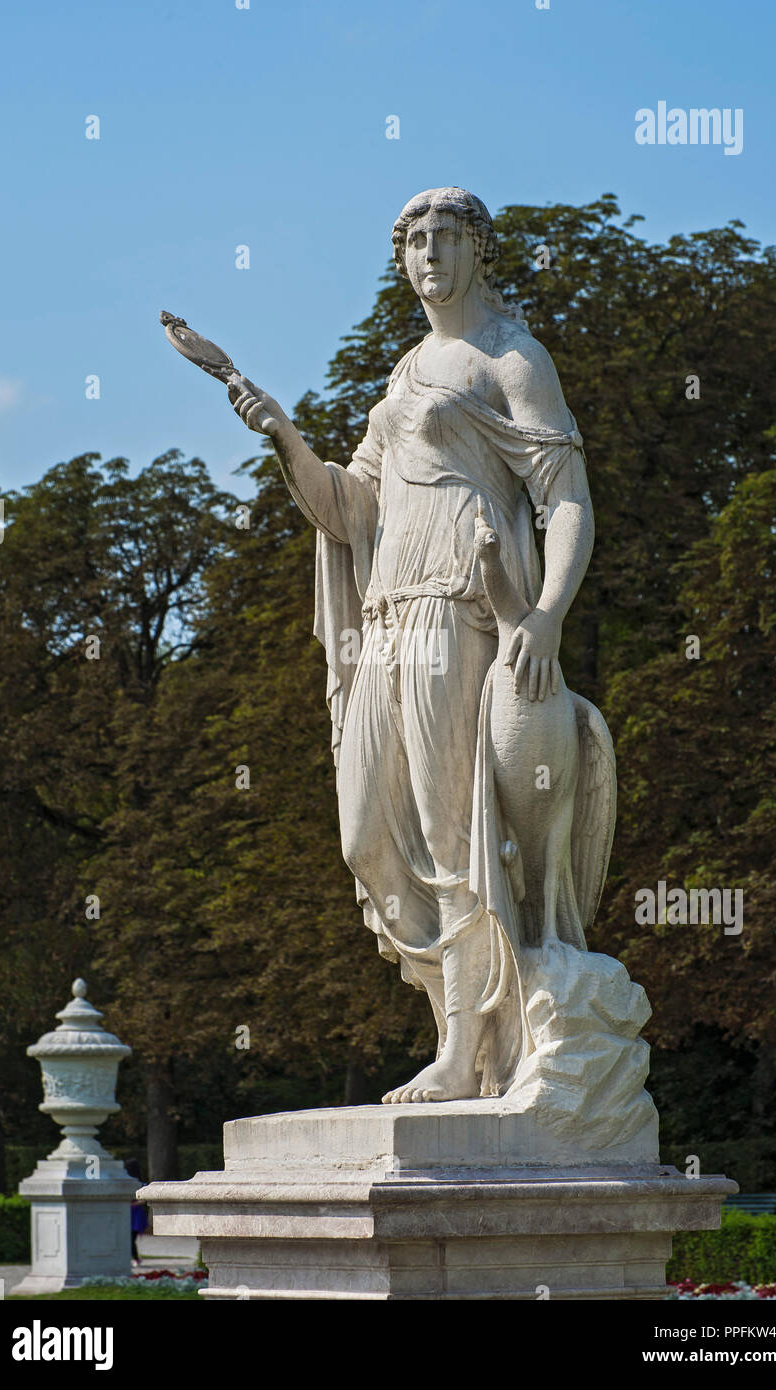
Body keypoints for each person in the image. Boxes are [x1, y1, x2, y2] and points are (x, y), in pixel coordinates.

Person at [228, 188, 594, 1103]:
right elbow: (349, 509)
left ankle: (467, 1050)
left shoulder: (509, 359)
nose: (427, 253)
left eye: (445, 237)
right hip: (384, 621)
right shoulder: (401, 376)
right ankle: (457, 1023)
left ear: (477, 251)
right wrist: (282, 433)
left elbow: (566, 498)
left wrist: (545, 612)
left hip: (459, 611)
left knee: (453, 836)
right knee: (366, 839)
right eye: (414, 241)